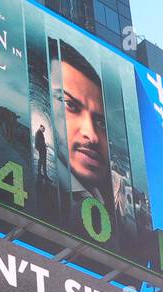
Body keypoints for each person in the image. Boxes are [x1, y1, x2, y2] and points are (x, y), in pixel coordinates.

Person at [53, 41, 124, 230]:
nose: (92, 136)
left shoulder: (105, 199)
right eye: (70, 105)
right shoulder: (40, 186)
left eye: (101, 123)